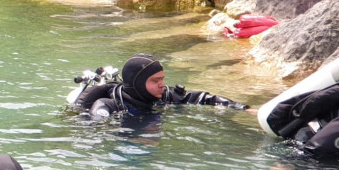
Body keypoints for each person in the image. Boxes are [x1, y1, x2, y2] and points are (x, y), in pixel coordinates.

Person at [73, 53, 248, 118]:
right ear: (138, 83)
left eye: (162, 79)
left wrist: (239, 107)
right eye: (155, 81)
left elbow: (201, 98)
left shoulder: (163, 95)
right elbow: (94, 128)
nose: (162, 85)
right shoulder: (108, 104)